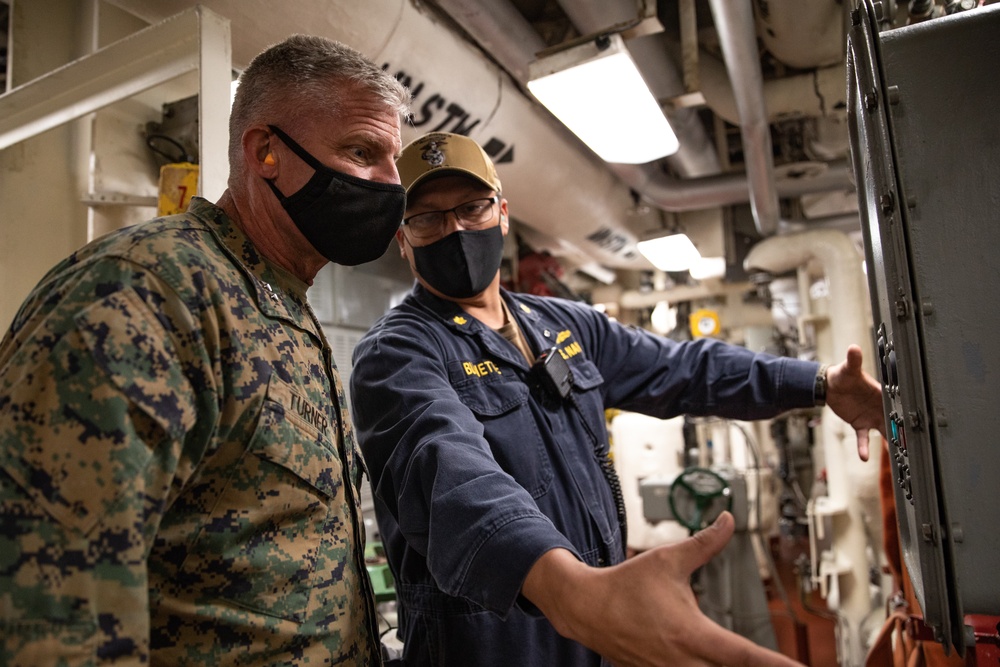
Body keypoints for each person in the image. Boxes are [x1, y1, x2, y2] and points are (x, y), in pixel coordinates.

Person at [349, 131, 886, 667]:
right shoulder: (397, 352)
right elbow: (454, 479)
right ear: (403, 240)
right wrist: (575, 594)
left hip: (597, 633)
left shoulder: (562, 324)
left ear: (503, 213)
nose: (456, 230)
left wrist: (816, 382)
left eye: (472, 208)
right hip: (498, 645)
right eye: (428, 219)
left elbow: (685, 369)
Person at [0, 35, 409, 665]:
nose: (390, 186)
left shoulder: (281, 308)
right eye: (361, 152)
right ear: (266, 151)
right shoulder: (152, 291)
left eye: (393, 163)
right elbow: (52, 603)